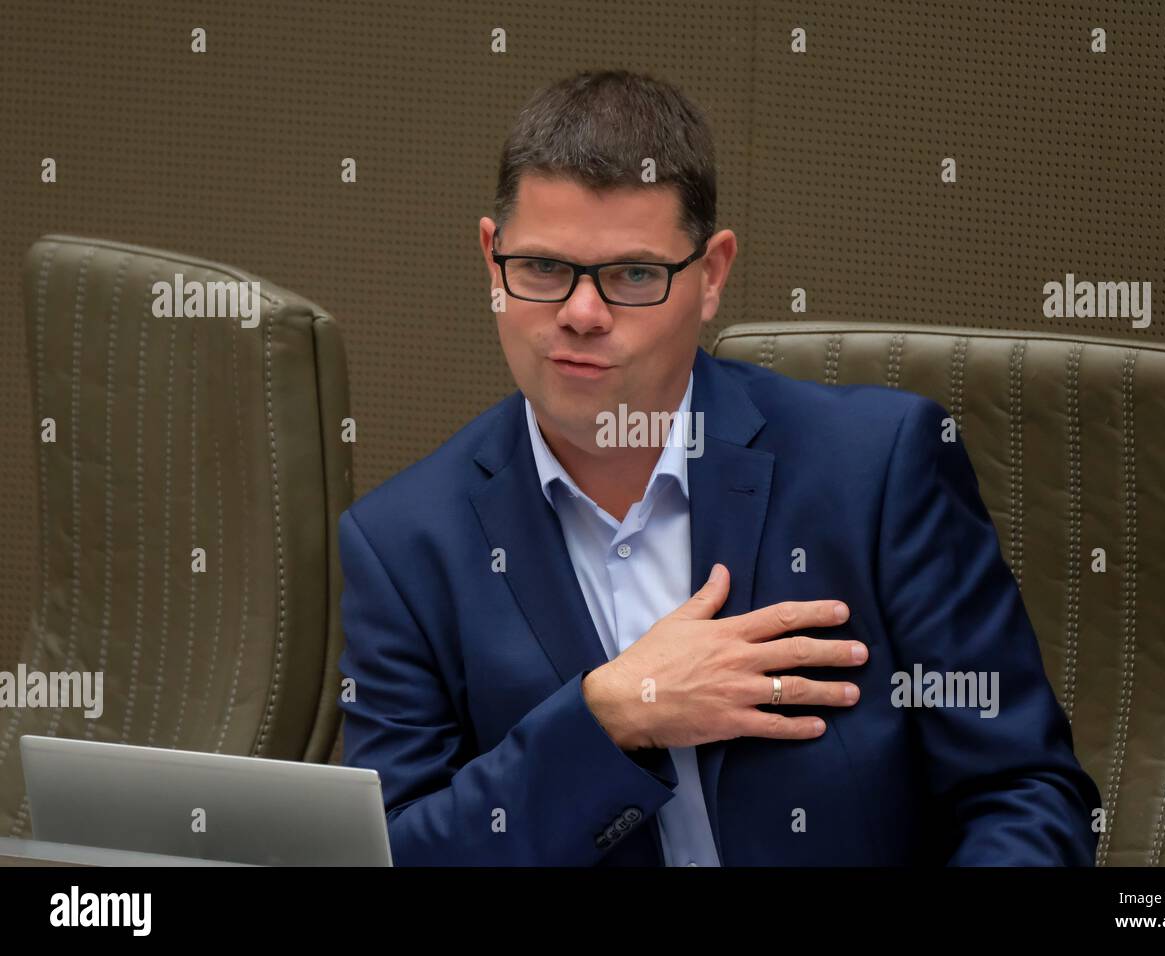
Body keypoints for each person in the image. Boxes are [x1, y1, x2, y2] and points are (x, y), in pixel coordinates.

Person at [338, 68, 1100, 866]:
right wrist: (610, 715)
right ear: (493, 260)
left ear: (711, 276)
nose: (581, 314)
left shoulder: (876, 470)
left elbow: (1026, 797)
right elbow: (395, 854)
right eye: (543, 269)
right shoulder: (402, 545)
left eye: (634, 274)